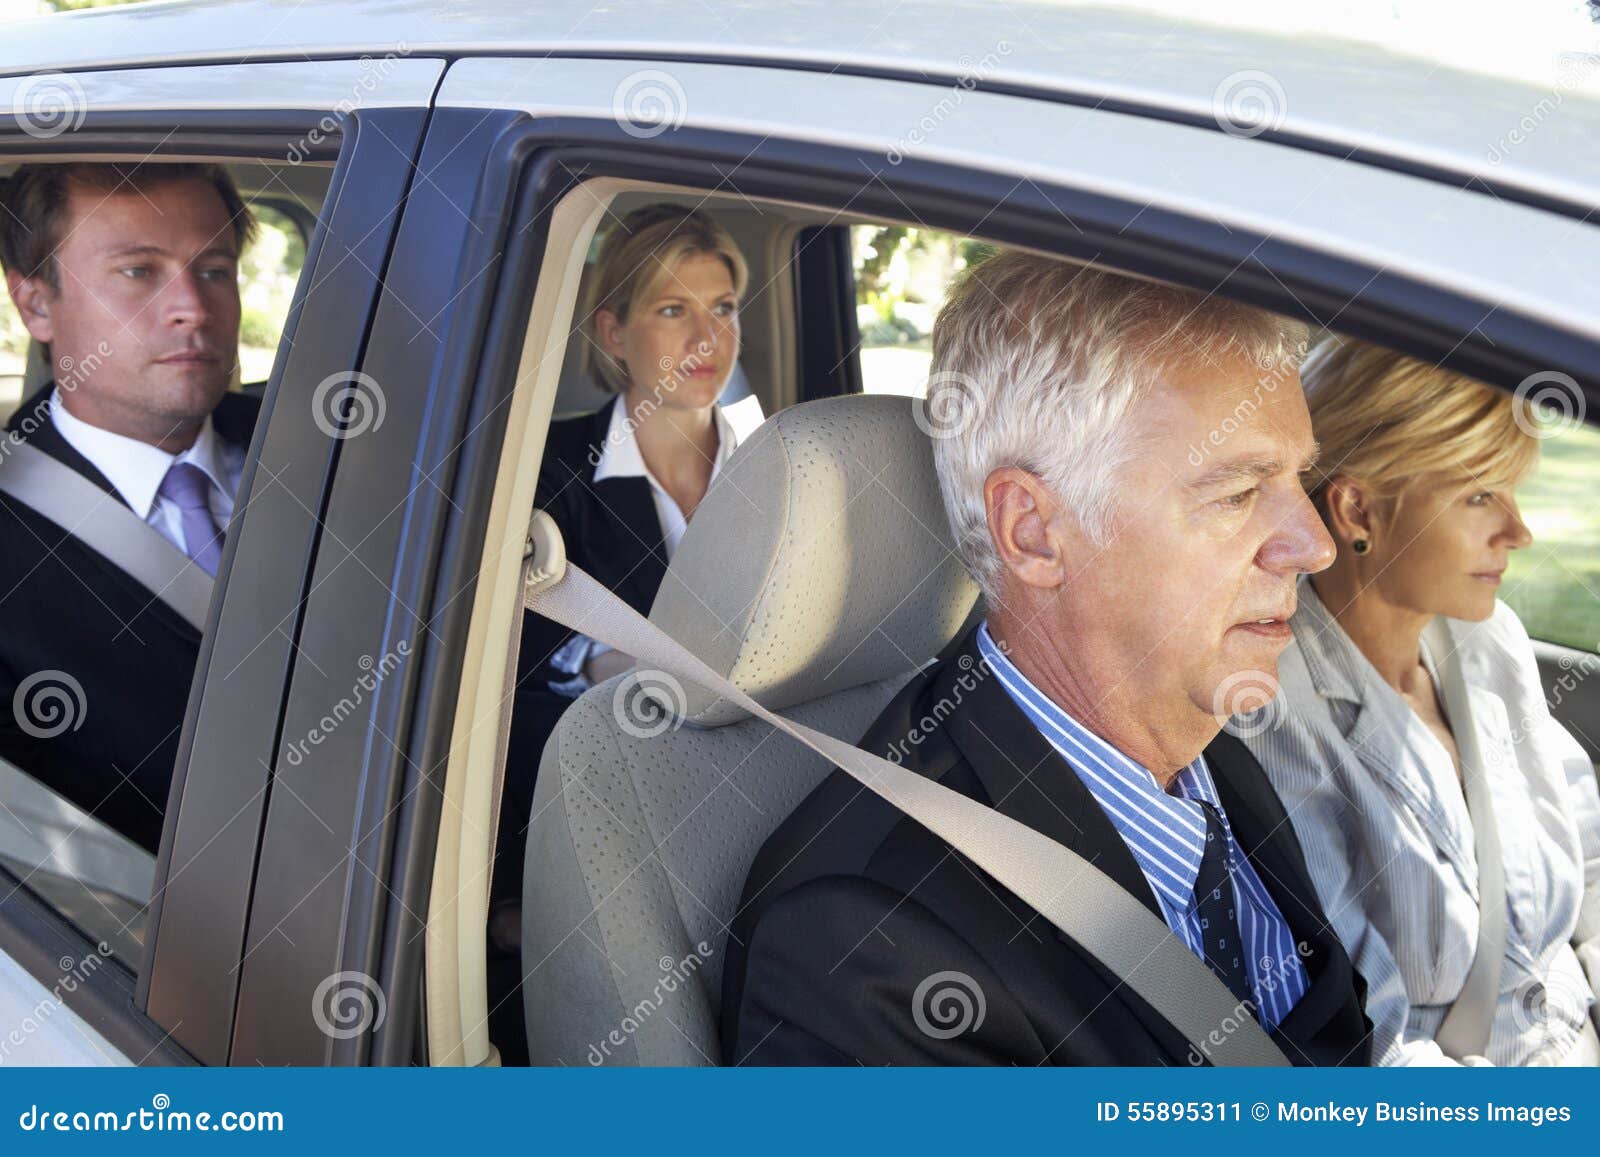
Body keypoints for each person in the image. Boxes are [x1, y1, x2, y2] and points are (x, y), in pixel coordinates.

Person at [720, 252, 1373, 1066]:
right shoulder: (865, 943)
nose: (1315, 544)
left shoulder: (1217, 767)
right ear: (1032, 530)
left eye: (1299, 479)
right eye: (1239, 492)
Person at [1240, 339, 1600, 1066]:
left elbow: (1589, 862)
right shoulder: (1275, 714)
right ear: (1358, 508)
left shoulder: (1488, 641)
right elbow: (1372, 1043)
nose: (1520, 532)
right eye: (1478, 496)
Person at [487, 204, 749, 1057]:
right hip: (610, 823)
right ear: (613, 330)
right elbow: (492, 685)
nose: (707, 336)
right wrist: (602, 661)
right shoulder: (542, 471)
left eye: (724, 307)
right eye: (673, 310)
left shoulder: (780, 464)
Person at [0, 162, 259, 852]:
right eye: (139, 271)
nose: (194, 310)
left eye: (215, 270)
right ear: (35, 305)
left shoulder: (339, 451)